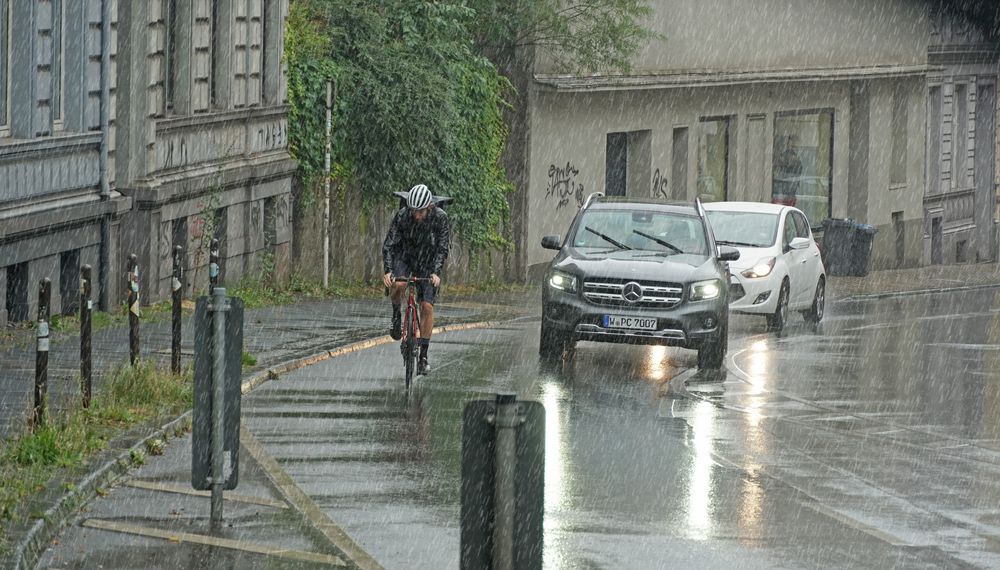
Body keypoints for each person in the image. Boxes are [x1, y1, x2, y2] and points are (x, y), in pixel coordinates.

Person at [382, 184, 450, 376]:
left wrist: (436, 273)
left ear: (429, 207)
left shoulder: (440, 218)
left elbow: (442, 248)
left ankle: (423, 357)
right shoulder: (402, 216)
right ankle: (396, 315)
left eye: (420, 212)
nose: (416, 216)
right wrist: (388, 271)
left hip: (428, 261)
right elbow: (389, 245)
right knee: (399, 284)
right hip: (405, 256)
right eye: (413, 211)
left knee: (427, 307)